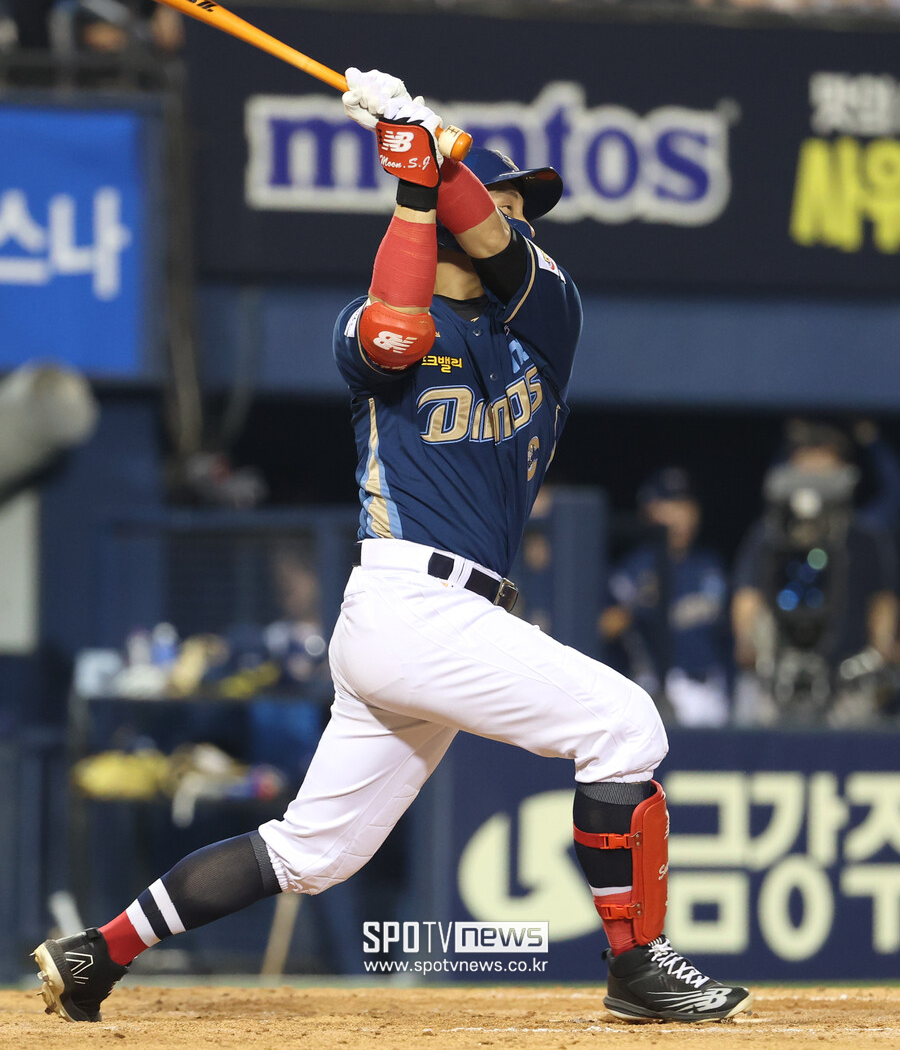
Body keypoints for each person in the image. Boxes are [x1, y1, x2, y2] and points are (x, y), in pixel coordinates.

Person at [33, 69, 751, 1025]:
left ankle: (97, 953)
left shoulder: (548, 319)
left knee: (310, 854)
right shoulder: (372, 317)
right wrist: (417, 183)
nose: (516, 218)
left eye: (520, 206)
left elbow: (492, 243)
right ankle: (637, 969)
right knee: (626, 728)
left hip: (443, 621)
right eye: (500, 197)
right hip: (411, 605)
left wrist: (429, 145)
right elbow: (395, 334)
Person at [731, 420, 899, 724]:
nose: (813, 481)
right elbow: (748, 597)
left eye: (824, 470)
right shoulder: (768, 534)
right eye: (805, 469)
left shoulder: (866, 537)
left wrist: (879, 653)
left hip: (847, 678)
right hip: (779, 677)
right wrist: (749, 645)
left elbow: (882, 604)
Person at [601, 467, 731, 727]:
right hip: (655, 688)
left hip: (710, 690)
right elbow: (604, 628)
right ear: (650, 509)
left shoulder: (709, 566)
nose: (681, 515)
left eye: (686, 504)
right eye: (670, 504)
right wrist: (637, 606)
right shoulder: (633, 569)